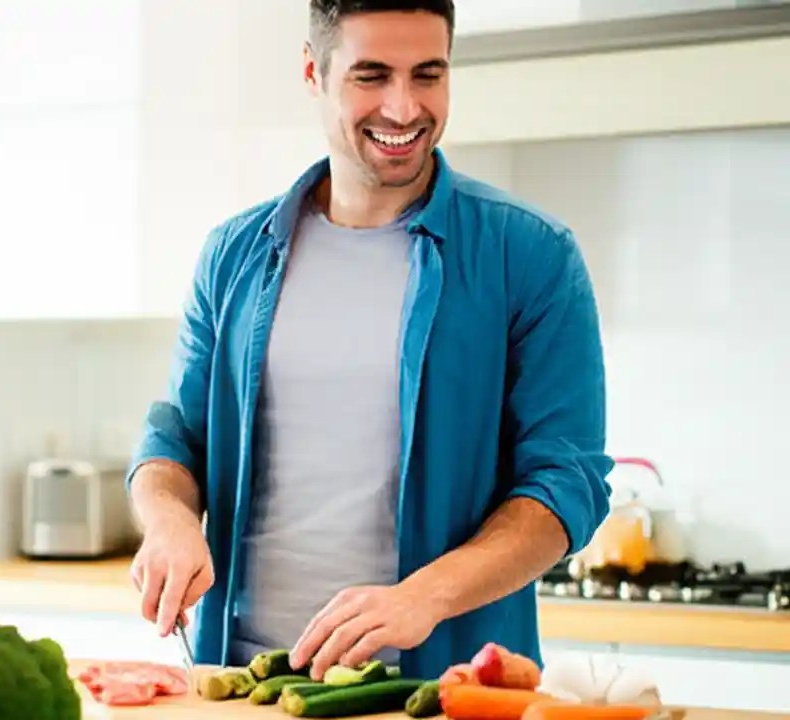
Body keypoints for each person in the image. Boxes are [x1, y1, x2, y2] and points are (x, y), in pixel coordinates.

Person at [124, 0, 614, 682]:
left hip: (444, 689)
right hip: (244, 686)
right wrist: (168, 518)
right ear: (312, 72)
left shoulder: (529, 255)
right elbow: (176, 439)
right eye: (372, 75)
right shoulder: (234, 255)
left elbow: (568, 484)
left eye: (428, 75)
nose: (404, 107)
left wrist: (425, 597)